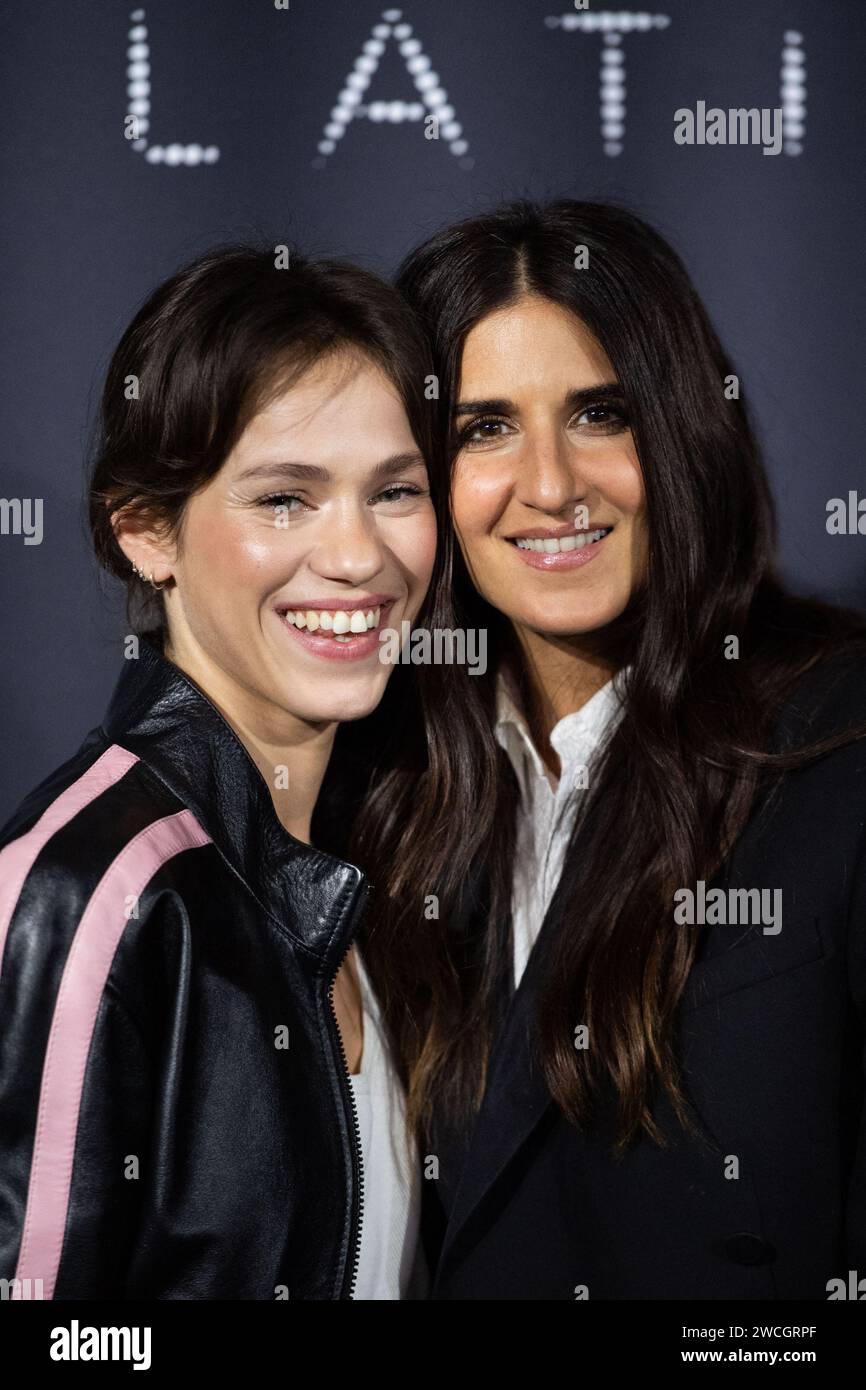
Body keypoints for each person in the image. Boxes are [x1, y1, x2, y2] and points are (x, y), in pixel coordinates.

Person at [350, 198, 866, 1299]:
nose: (548, 485)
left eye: (597, 414)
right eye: (483, 428)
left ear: (683, 428)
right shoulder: (389, 790)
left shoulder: (837, 741)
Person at [0, 244, 440, 1299]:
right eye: (284, 499)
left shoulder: (376, 856)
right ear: (146, 530)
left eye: (394, 490)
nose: (356, 556)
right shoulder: (85, 889)